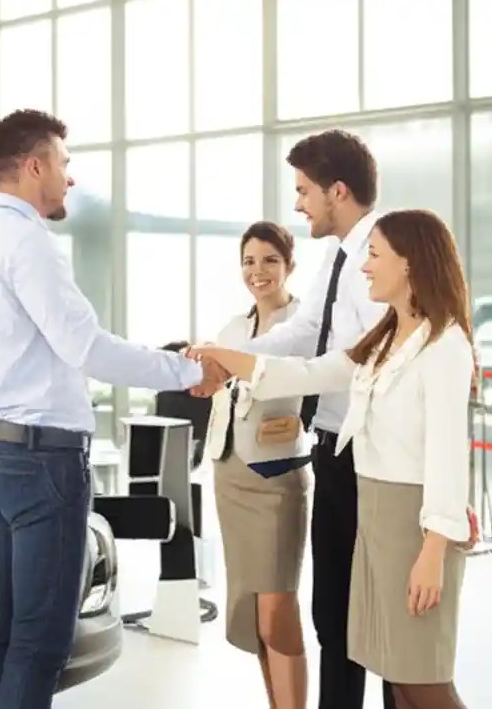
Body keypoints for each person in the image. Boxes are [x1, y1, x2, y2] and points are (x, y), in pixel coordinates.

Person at [0, 108, 225, 709]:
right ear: (34, 165)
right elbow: (88, 348)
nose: (69, 178)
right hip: (43, 460)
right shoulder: (29, 243)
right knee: (41, 642)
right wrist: (189, 369)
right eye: (65, 164)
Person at [188, 209, 477, 709]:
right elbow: (303, 373)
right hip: (377, 515)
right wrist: (221, 354)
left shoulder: (443, 345)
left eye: (375, 255)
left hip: (415, 524)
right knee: (398, 671)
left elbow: (450, 457)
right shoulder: (385, 337)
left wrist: (433, 553)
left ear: (409, 264)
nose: (365, 267)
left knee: (421, 678)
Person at [193, 129, 391, 709]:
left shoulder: (374, 258)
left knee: (359, 614)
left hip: (360, 448)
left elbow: (351, 362)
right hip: (330, 445)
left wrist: (253, 370)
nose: (299, 202)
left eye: (304, 190)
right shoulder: (338, 253)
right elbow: (306, 334)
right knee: (331, 612)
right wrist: (237, 360)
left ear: (337, 189)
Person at [203, 221, 312, 708]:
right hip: (230, 474)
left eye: (269, 259)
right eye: (249, 261)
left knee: (277, 610)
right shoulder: (232, 327)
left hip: (276, 479)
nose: (258, 271)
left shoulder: (304, 323)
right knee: (251, 610)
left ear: (289, 264)